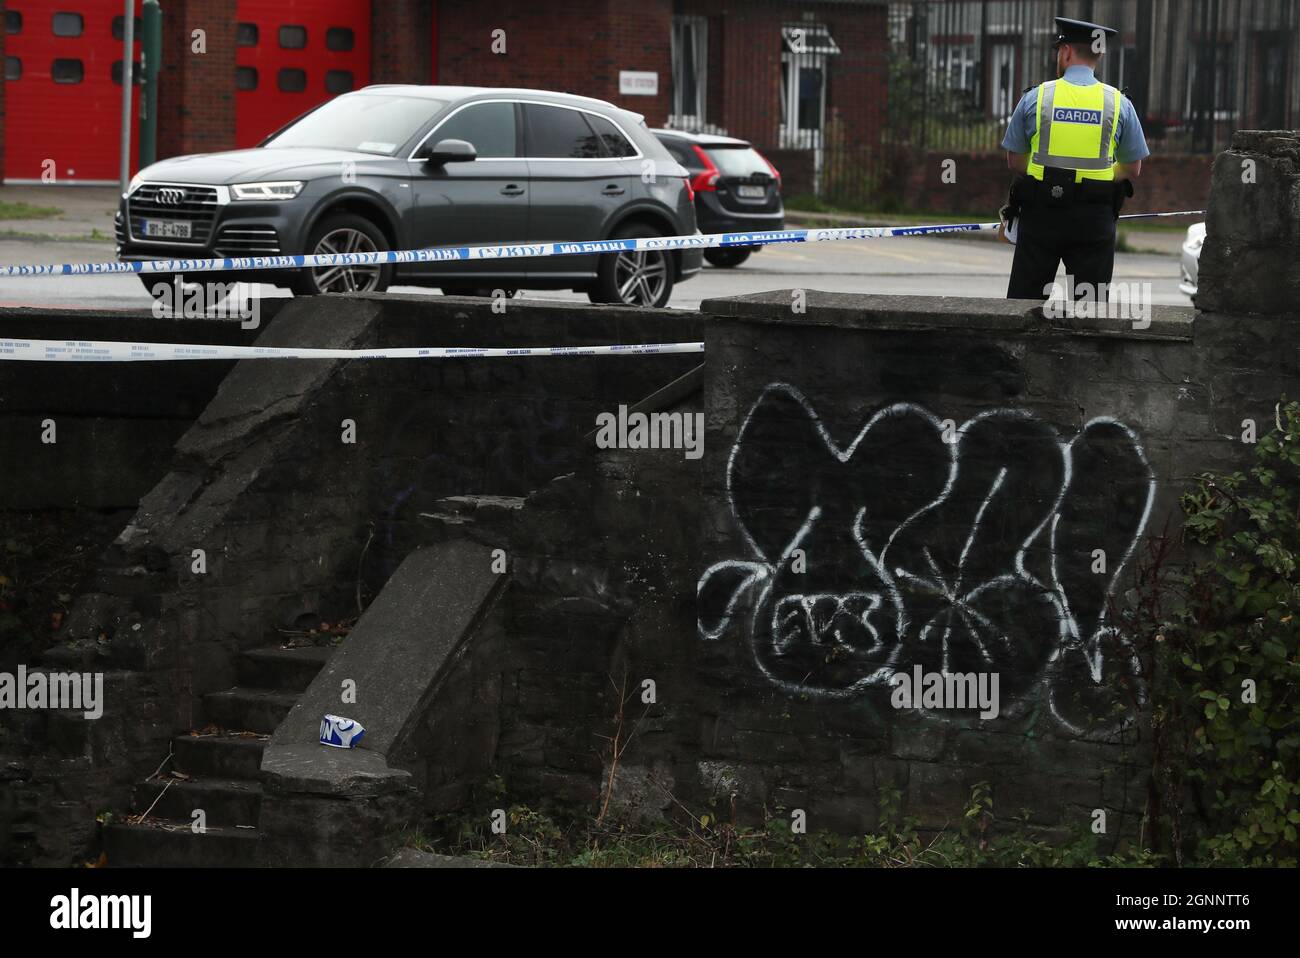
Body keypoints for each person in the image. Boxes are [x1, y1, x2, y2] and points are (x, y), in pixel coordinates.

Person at [1001, 17, 1150, 301]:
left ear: (1066, 51)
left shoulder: (1036, 98)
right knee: (1091, 310)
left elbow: (1015, 162)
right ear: (1099, 54)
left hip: (1040, 213)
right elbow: (1132, 168)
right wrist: (1097, 175)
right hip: (1094, 218)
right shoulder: (1119, 103)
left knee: (1024, 304)